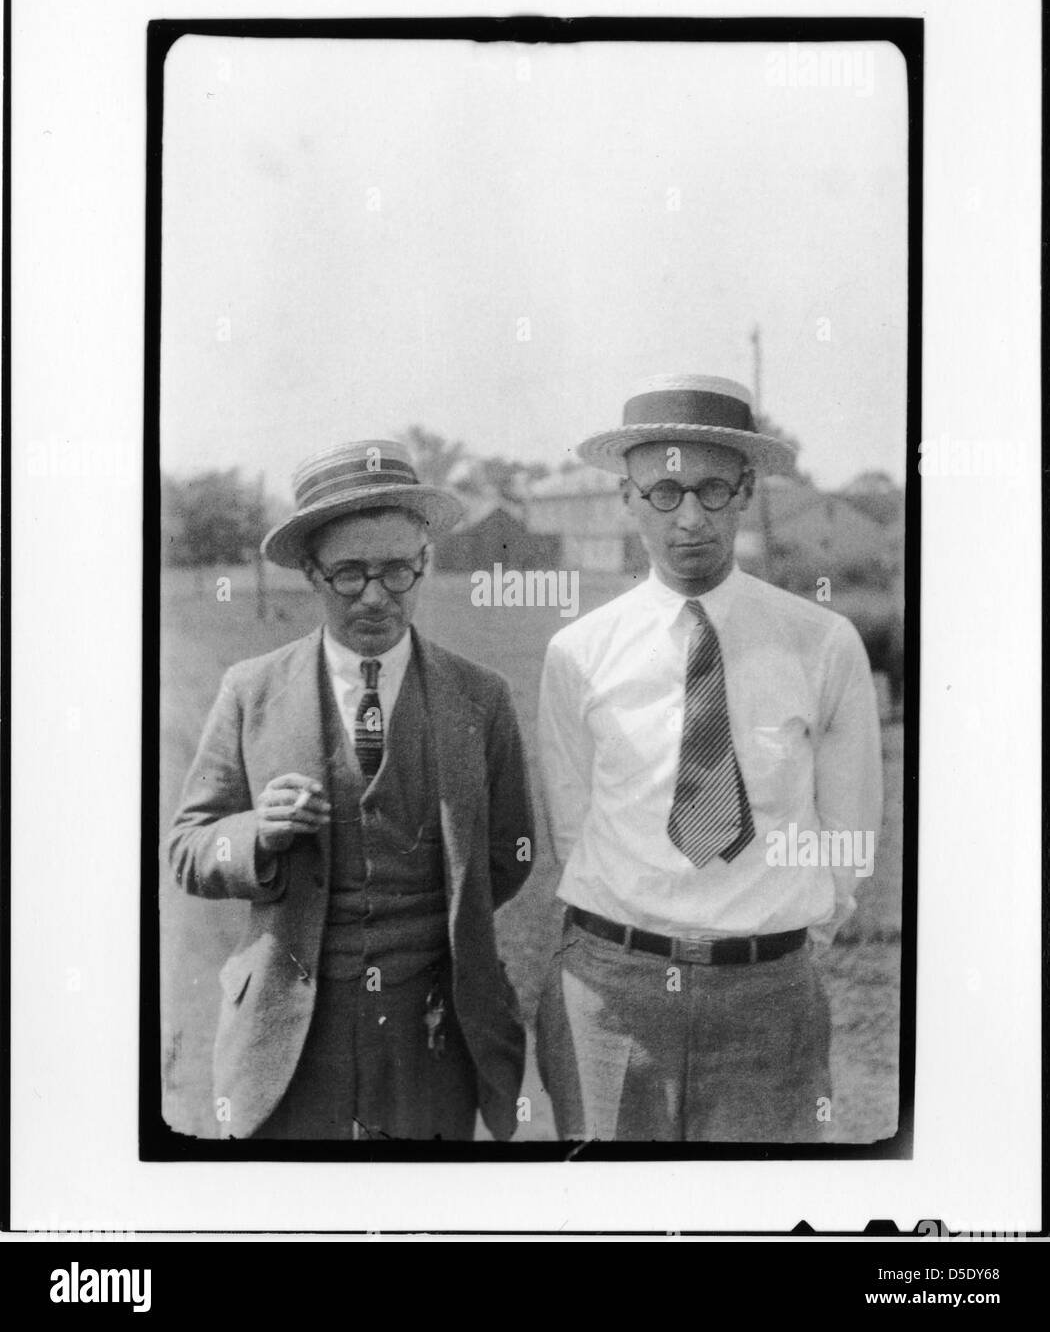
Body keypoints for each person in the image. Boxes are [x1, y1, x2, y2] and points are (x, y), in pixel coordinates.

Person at [535, 375, 883, 1142]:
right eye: (664, 492)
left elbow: (848, 832)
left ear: (747, 491)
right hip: (611, 994)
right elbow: (573, 827)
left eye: (713, 489)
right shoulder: (578, 654)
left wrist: (780, 948)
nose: (689, 517)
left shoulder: (821, 643)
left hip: (767, 1000)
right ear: (628, 498)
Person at [167, 439, 533, 1141]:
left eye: (399, 570)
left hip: (431, 1035)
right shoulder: (250, 691)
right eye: (350, 573)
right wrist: (255, 835)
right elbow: (188, 847)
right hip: (288, 1041)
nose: (376, 595)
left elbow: (510, 858)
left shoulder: (482, 699)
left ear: (424, 561)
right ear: (310, 571)